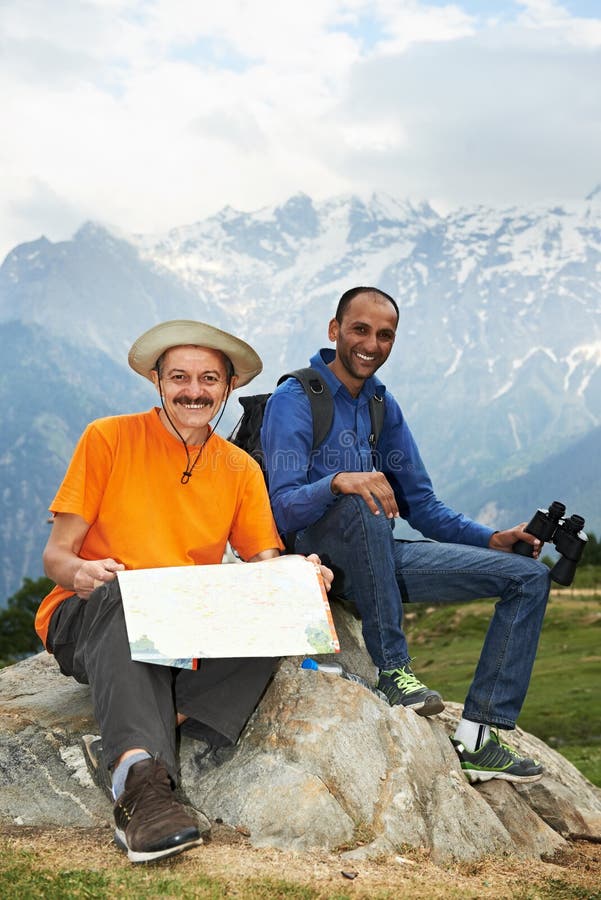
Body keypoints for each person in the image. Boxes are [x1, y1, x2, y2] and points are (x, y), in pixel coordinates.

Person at [36, 319, 333, 863]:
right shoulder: (108, 438)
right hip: (94, 614)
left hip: (181, 627)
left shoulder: (240, 468)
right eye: (179, 377)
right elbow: (56, 556)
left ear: (228, 387)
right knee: (126, 592)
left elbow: (263, 562)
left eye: (208, 380)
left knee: (282, 608)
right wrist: (79, 573)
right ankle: (140, 787)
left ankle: (139, 734)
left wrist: (298, 576)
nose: (193, 391)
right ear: (157, 381)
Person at [261, 287, 551, 784]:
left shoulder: (379, 404)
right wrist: (338, 482)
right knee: (363, 497)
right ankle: (394, 671)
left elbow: (422, 505)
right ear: (335, 331)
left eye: (384, 335)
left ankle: (480, 735)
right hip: (319, 567)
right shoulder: (295, 398)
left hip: (380, 556)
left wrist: (492, 539)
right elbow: (277, 508)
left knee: (528, 578)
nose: (371, 344)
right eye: (360, 330)